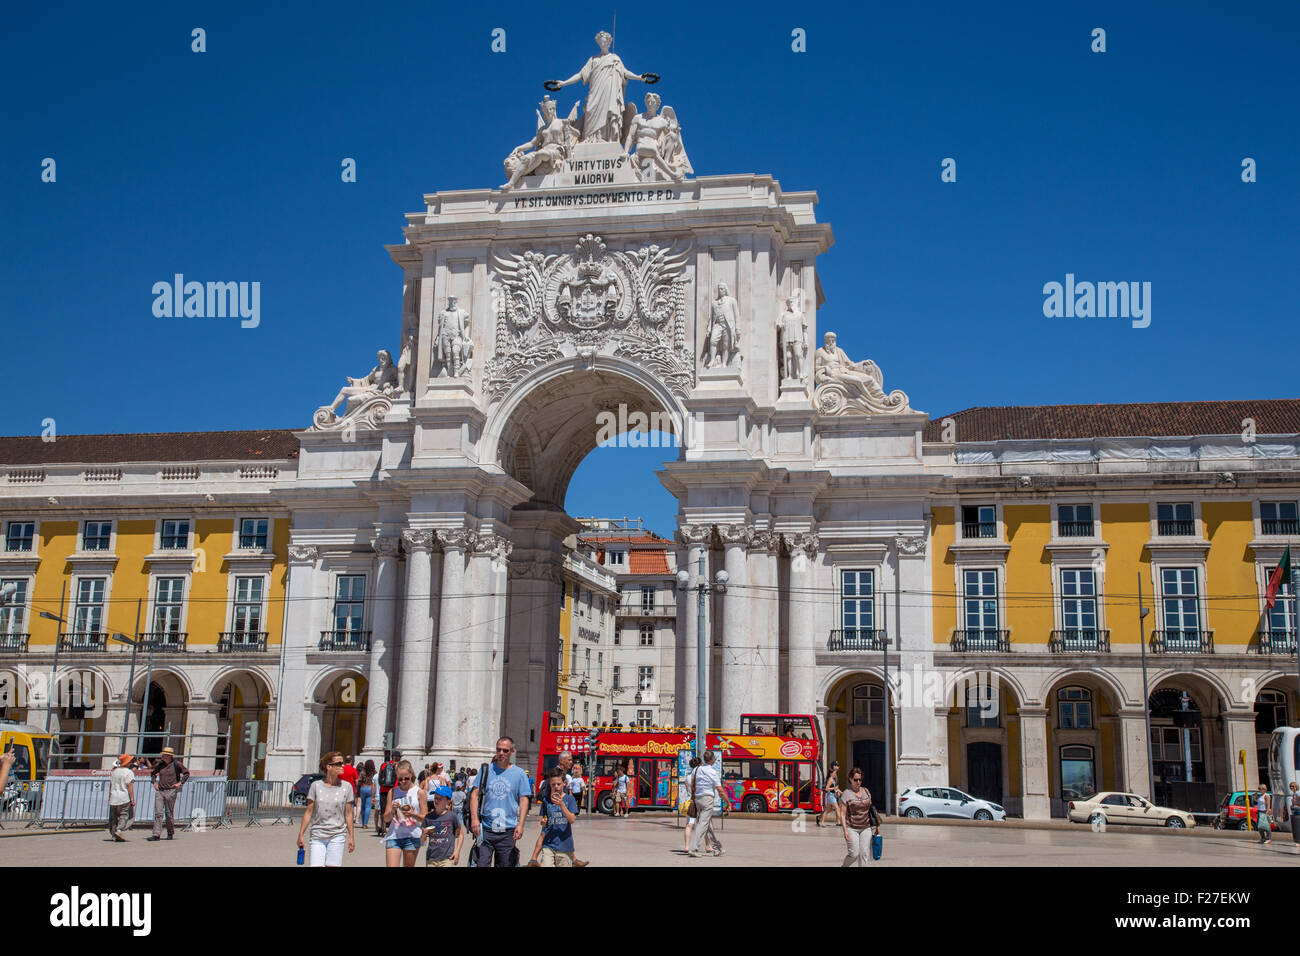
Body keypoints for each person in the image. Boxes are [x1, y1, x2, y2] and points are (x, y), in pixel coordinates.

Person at [468, 736, 531, 867]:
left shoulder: (519, 774)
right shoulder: (486, 770)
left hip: (507, 830)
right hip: (486, 828)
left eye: (505, 750)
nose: (501, 753)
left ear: (512, 752)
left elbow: (524, 799)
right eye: (498, 750)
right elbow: (474, 795)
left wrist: (521, 824)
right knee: (481, 864)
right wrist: (474, 819)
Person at [297, 751, 356, 867]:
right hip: (318, 834)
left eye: (342, 763)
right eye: (339, 763)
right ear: (329, 767)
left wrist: (351, 837)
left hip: (337, 834)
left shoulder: (347, 787)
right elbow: (309, 812)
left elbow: (348, 814)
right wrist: (300, 834)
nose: (342, 766)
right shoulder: (316, 786)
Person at [384, 760, 426, 867]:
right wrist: (393, 810)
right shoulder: (392, 792)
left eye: (406, 778)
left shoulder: (419, 792)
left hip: (412, 835)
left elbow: (425, 818)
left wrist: (413, 814)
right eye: (400, 779)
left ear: (411, 774)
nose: (403, 781)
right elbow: (386, 818)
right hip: (394, 835)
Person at [534, 768, 580, 866]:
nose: (556, 787)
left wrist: (561, 805)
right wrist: (543, 822)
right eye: (553, 784)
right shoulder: (546, 800)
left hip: (564, 844)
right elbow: (543, 818)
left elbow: (572, 820)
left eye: (558, 784)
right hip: (548, 843)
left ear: (564, 783)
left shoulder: (570, 799)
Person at [837, 767, 881, 867]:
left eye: (860, 779)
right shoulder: (846, 794)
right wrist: (845, 830)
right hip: (852, 828)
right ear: (850, 779)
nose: (858, 782)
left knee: (864, 854)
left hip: (866, 827)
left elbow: (872, 810)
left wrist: (877, 826)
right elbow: (842, 814)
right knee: (854, 854)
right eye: (855, 780)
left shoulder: (866, 791)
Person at [687, 751, 725, 857]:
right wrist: (727, 802)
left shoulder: (697, 769)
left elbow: (692, 785)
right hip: (707, 799)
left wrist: (693, 797)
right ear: (712, 760)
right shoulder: (712, 772)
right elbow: (720, 789)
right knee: (703, 824)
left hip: (698, 799)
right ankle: (693, 848)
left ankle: (717, 848)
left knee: (708, 825)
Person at [147, 746, 189, 841]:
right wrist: (154, 782)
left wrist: (180, 783)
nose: (163, 756)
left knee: (169, 813)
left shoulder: (176, 764)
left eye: (165, 755)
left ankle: (170, 832)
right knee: (158, 812)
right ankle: (156, 834)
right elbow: (153, 773)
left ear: (169, 756)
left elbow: (186, 773)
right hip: (161, 790)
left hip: (171, 790)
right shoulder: (160, 764)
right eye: (163, 754)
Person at [425, 785, 464, 867]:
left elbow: (460, 834)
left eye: (440, 798)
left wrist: (457, 852)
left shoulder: (452, 817)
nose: (436, 800)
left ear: (448, 801)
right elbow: (422, 839)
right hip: (431, 858)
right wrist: (423, 834)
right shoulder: (428, 817)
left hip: (447, 858)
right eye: (435, 797)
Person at [107, 753, 135, 842]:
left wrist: (109, 796)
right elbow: (129, 786)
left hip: (114, 796)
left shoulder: (114, 772)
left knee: (113, 817)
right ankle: (119, 830)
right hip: (124, 796)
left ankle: (113, 834)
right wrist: (132, 799)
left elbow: (111, 785)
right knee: (124, 815)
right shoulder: (129, 772)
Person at [376, 750, 400, 837]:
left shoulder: (384, 764)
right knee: (393, 809)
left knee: (383, 810)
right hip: (394, 790)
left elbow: (380, 778)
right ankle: (392, 828)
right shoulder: (398, 766)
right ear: (398, 758)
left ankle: (383, 829)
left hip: (383, 790)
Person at [681, 756, 701, 853]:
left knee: (689, 825)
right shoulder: (701, 776)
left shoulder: (688, 778)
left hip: (691, 802)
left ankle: (687, 847)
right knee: (702, 824)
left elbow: (687, 789)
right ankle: (704, 846)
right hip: (701, 802)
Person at [817, 761, 841, 828]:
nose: (837, 767)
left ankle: (821, 821)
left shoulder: (834, 778)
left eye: (838, 766)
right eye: (835, 765)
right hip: (830, 795)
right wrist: (834, 788)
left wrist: (841, 792)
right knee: (837, 808)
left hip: (833, 795)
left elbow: (836, 787)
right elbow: (827, 788)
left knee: (828, 810)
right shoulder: (830, 779)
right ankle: (841, 821)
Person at [356, 760, 375, 828]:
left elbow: (359, 781)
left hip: (363, 788)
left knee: (363, 806)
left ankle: (363, 822)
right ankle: (365, 824)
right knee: (368, 807)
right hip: (370, 788)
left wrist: (358, 791)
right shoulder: (374, 772)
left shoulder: (362, 772)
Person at [1288, 781, 1300, 854]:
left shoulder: (1298, 793)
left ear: (1296, 787)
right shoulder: (1294, 794)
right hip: (1295, 811)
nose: (1292, 788)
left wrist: (1297, 806)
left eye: (1293, 786)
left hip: (1298, 811)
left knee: (1298, 826)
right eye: (1291, 786)